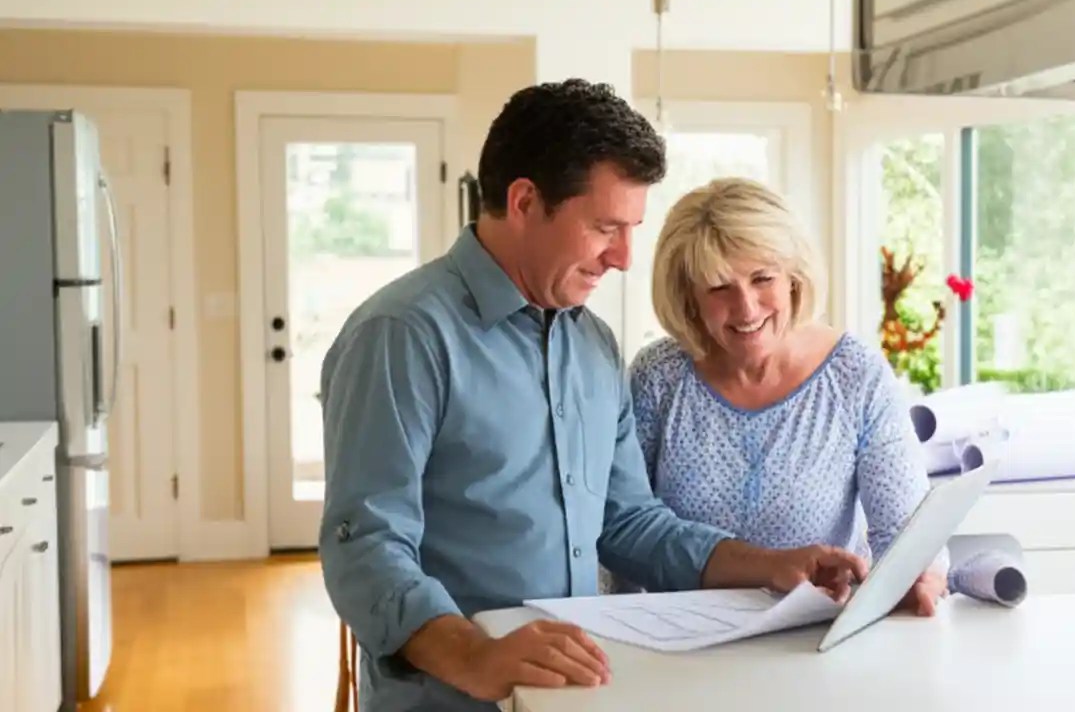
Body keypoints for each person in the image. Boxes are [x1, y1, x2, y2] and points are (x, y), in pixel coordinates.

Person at [317, 80, 868, 712]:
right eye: (606, 227)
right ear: (525, 202)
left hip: (573, 696)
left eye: (632, 229)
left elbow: (629, 522)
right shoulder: (403, 335)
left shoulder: (593, 345)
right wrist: (474, 655)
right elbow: (365, 544)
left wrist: (769, 566)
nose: (625, 258)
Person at [629, 177, 948, 616]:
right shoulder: (657, 377)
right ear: (689, 296)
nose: (746, 308)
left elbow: (906, 531)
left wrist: (920, 574)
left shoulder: (855, 376)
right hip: (678, 635)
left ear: (794, 279)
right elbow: (624, 532)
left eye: (762, 278)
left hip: (814, 635)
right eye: (720, 288)